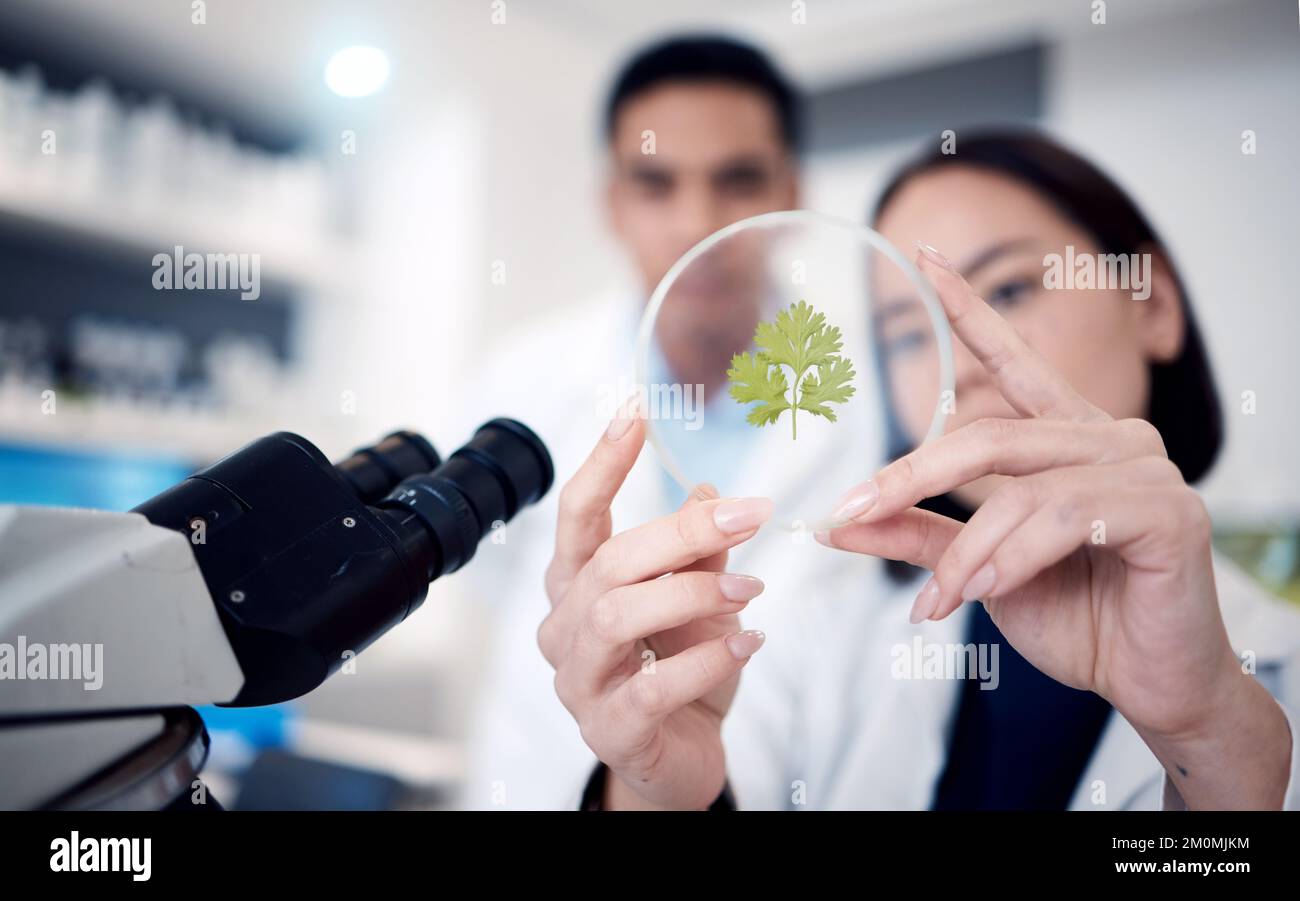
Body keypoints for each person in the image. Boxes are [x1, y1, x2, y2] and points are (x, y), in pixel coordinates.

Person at [539, 130, 1300, 809]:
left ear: (1153, 301)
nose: (957, 367)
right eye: (909, 334)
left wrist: (1213, 745)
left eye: (1005, 289)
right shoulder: (818, 631)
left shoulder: (1274, 670)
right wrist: (656, 791)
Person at [457, 35, 888, 809]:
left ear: (791, 192)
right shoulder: (524, 380)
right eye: (656, 183)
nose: (697, 222)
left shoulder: (875, 409)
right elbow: (484, 579)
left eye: (738, 180)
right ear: (613, 204)